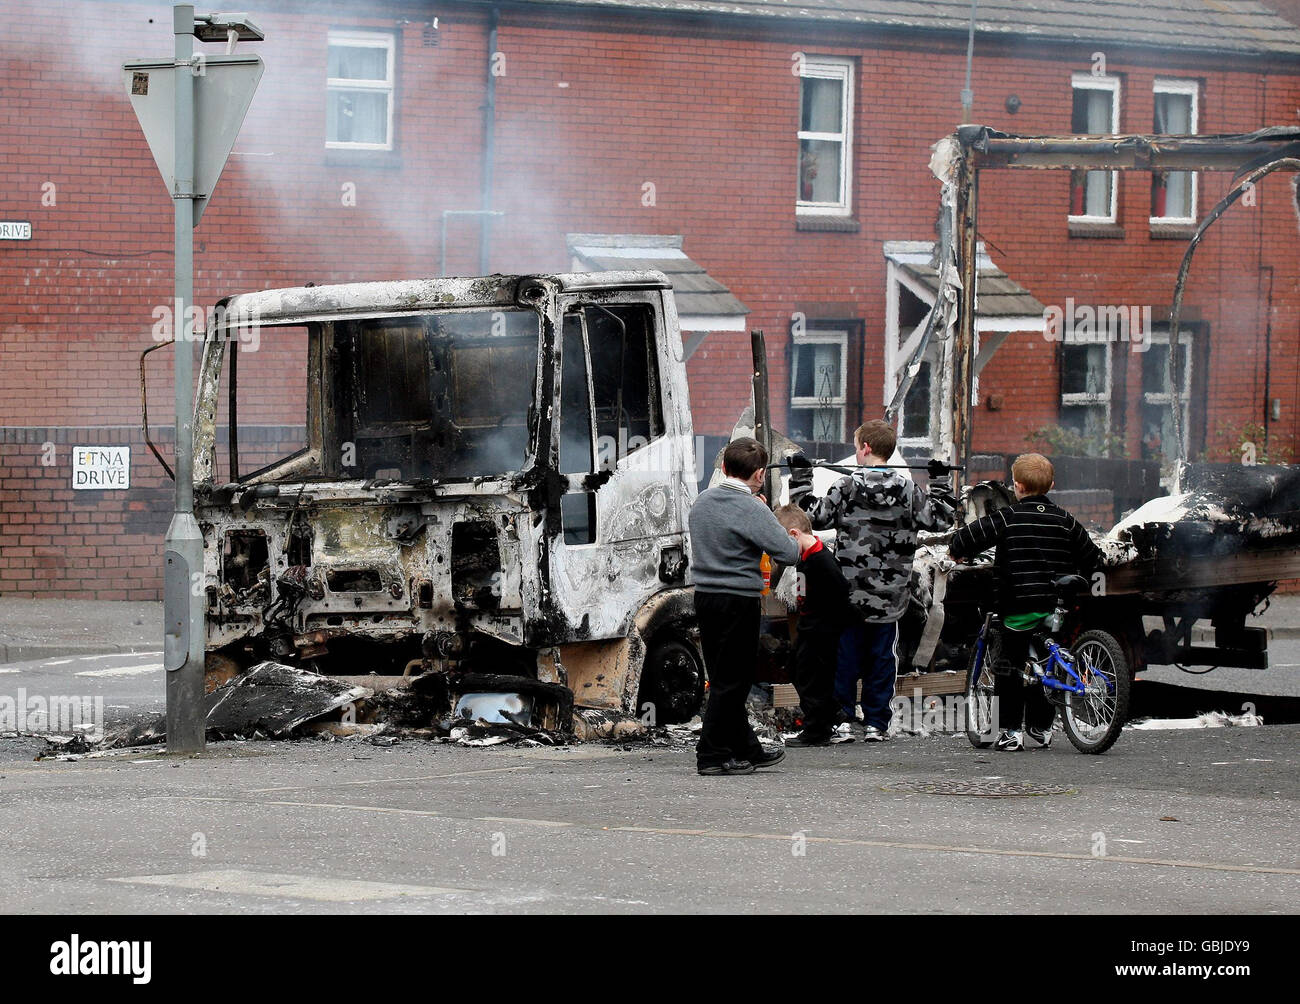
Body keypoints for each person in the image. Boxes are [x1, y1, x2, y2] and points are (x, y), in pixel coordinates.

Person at [789, 420, 954, 741]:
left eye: (855, 445)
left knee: (845, 657)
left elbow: (813, 516)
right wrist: (941, 480)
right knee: (882, 658)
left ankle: (845, 720)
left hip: (848, 592)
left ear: (865, 448)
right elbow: (941, 518)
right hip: (891, 593)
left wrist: (800, 478)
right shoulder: (907, 489)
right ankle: (878, 722)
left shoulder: (846, 487)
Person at [947, 452, 1105, 751]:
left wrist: (956, 550)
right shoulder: (1066, 520)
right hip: (1057, 606)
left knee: (1010, 667)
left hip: (1019, 604)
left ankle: (1009, 731)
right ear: (1052, 484)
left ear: (1016, 486)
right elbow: (1094, 558)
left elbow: (967, 538)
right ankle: (1041, 728)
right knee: (1047, 667)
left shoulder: (1009, 516)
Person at [689, 437, 802, 776]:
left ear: (724, 468)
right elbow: (789, 553)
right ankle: (711, 754)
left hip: (706, 597)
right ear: (759, 474)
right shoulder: (753, 508)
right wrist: (766, 515)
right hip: (739, 599)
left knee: (724, 676)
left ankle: (745, 747)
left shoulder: (702, 502)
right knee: (733, 682)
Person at [774, 504, 853, 746]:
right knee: (795, 668)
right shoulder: (804, 559)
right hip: (809, 625)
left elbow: (841, 590)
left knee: (813, 678)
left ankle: (817, 729)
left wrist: (830, 620)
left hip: (822, 628)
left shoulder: (821, 560)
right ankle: (831, 712)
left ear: (794, 535)